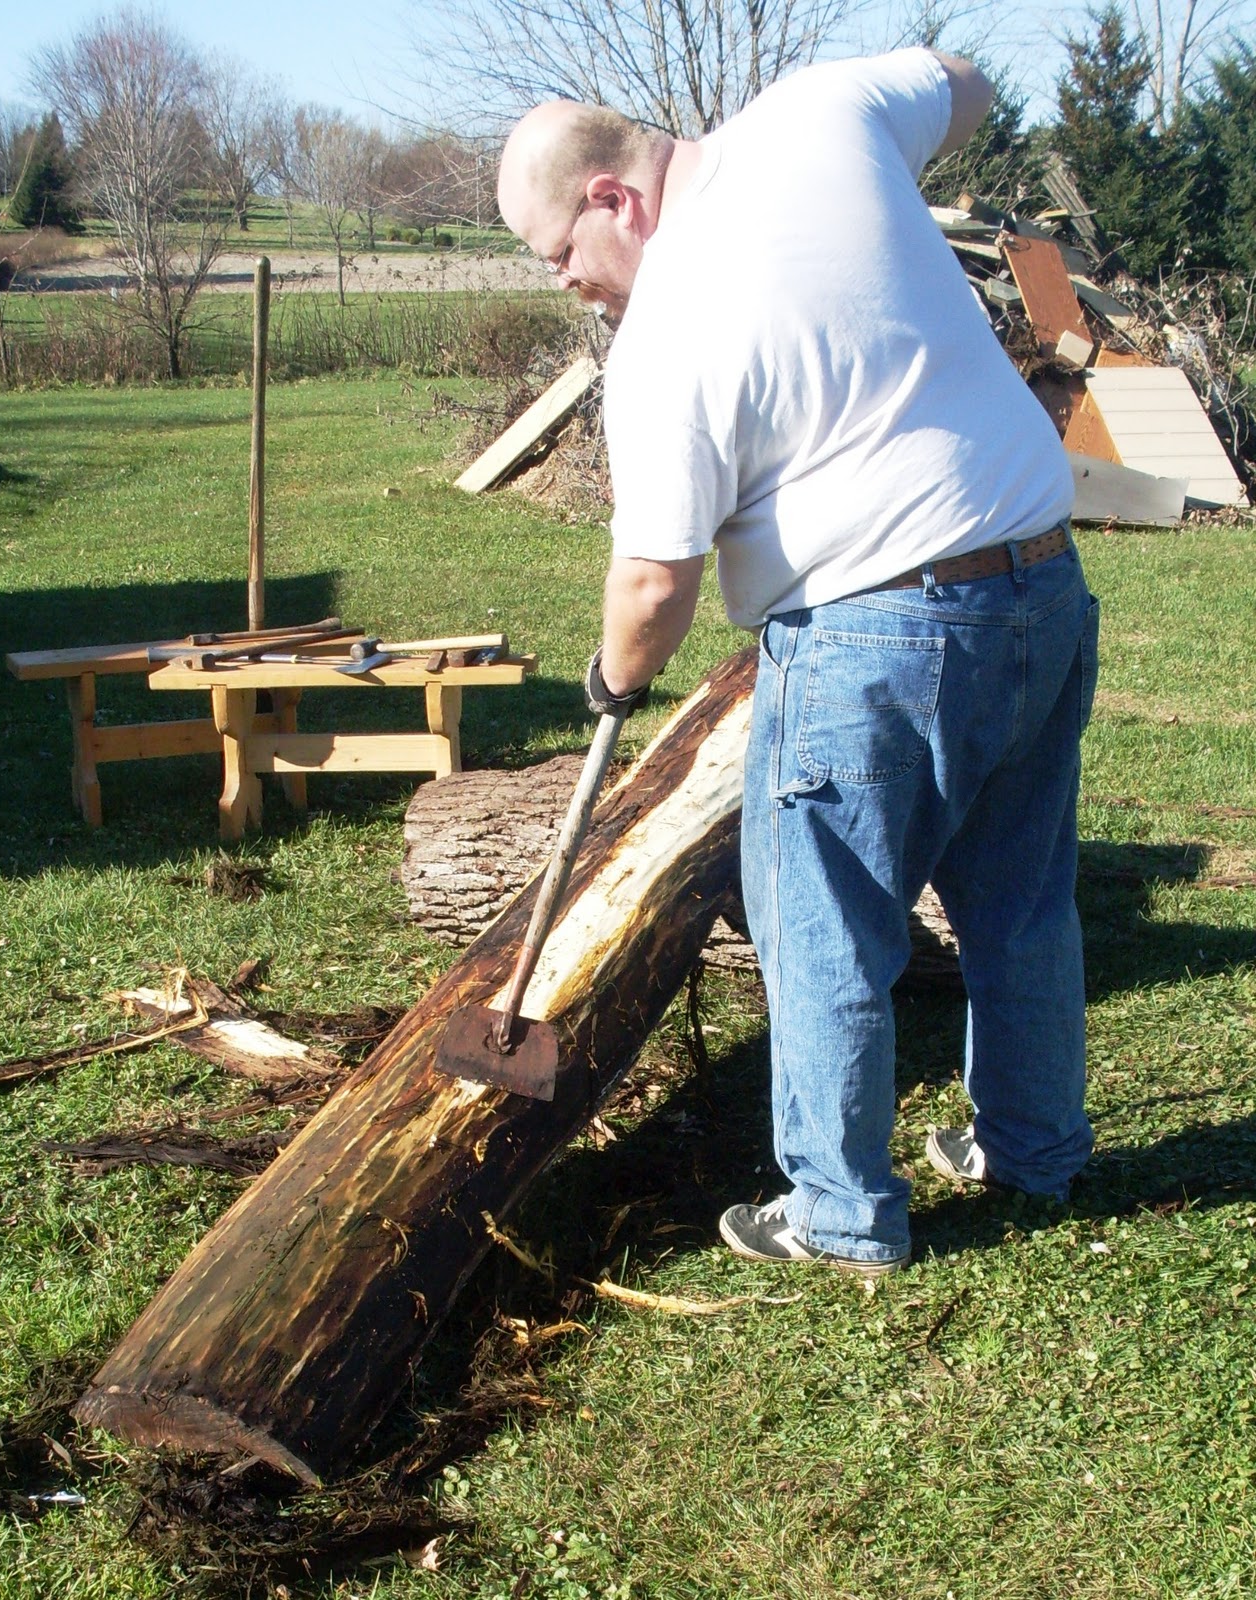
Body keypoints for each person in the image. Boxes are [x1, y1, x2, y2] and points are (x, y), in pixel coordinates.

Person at [497, 48, 1100, 1277]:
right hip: (1040, 587)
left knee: (824, 923)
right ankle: (1034, 1150)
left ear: (613, 197)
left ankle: (838, 1210)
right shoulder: (823, 113)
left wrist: (612, 681)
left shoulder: (663, 338)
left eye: (560, 254)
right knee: (1022, 899)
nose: (570, 286)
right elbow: (964, 80)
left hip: (876, 632)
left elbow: (653, 582)